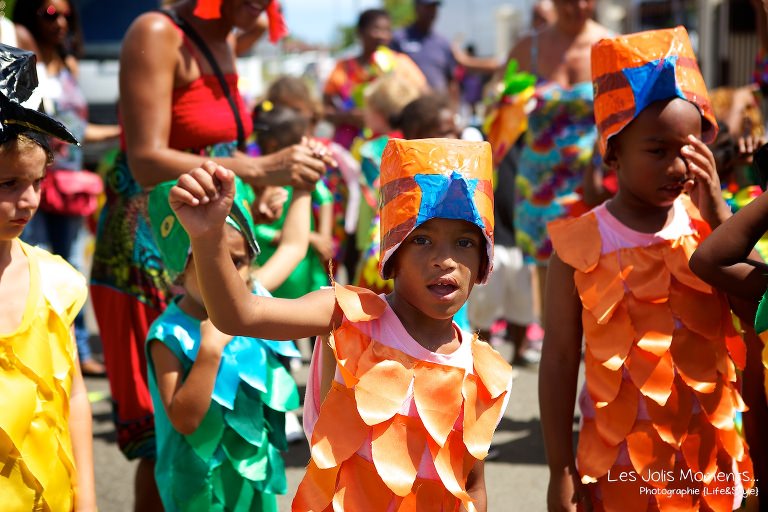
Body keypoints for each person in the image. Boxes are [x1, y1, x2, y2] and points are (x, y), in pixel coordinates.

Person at [168, 138, 514, 511]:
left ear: (483, 263)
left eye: (464, 242)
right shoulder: (347, 317)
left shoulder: (484, 371)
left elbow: (473, 484)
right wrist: (207, 237)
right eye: (422, 240)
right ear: (391, 257)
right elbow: (239, 314)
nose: (444, 259)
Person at [87, 0, 332, 509]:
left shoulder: (227, 38)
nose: (263, 8)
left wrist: (266, 189)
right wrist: (261, 170)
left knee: (226, 434)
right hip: (152, 251)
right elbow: (147, 157)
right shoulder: (157, 31)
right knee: (164, 442)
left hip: (214, 232)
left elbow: (219, 154)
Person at [541, 27, 754, 511]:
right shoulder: (578, 247)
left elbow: (756, 305)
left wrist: (722, 218)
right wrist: (560, 469)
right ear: (613, 151)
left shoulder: (712, 229)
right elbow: (556, 361)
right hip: (620, 468)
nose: (678, 167)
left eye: (690, 149)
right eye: (657, 151)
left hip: (708, 464)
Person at [145, 177, 303, 511]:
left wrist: (303, 188)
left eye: (237, 261)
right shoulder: (168, 335)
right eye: (206, 261)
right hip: (196, 488)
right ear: (177, 268)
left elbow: (293, 248)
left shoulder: (252, 299)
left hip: (254, 478)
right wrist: (210, 350)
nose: (226, 275)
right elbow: (185, 421)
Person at [0, 44, 95, 511]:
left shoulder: (59, 283)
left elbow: (74, 396)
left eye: (37, 182)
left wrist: (89, 502)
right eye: (8, 185)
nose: (29, 201)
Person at [13, 0, 121, 377]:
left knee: (71, 268)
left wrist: (124, 132)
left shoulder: (69, 64)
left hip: (66, 184)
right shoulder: (25, 52)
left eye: (65, 14)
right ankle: (36, 350)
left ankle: (75, 351)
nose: (59, 22)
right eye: (48, 13)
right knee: (33, 261)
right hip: (29, 180)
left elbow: (76, 129)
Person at [506, 0, 611, 329]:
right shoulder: (528, 49)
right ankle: (555, 343)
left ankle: (594, 343)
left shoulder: (611, 45)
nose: (578, 7)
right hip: (538, 183)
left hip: (591, 180)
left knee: (596, 268)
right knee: (546, 269)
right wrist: (510, 102)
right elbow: (497, 104)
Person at [353, 74, 420, 295]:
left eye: (367, 109)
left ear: (380, 115)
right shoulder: (414, 144)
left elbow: (372, 196)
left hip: (376, 232)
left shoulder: (370, 149)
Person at [323, 8, 427, 149]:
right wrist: (346, 117)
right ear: (360, 32)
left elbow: (425, 99)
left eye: (387, 30)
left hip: (393, 149)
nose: (382, 36)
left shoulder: (401, 64)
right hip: (350, 150)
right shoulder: (344, 67)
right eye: (376, 29)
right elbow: (324, 110)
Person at [390, 0, 455, 93]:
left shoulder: (443, 43)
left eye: (434, 7)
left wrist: (452, 106)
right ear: (416, 8)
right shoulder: (399, 38)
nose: (431, 11)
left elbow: (451, 81)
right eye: (427, 7)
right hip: (408, 103)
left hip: (437, 103)